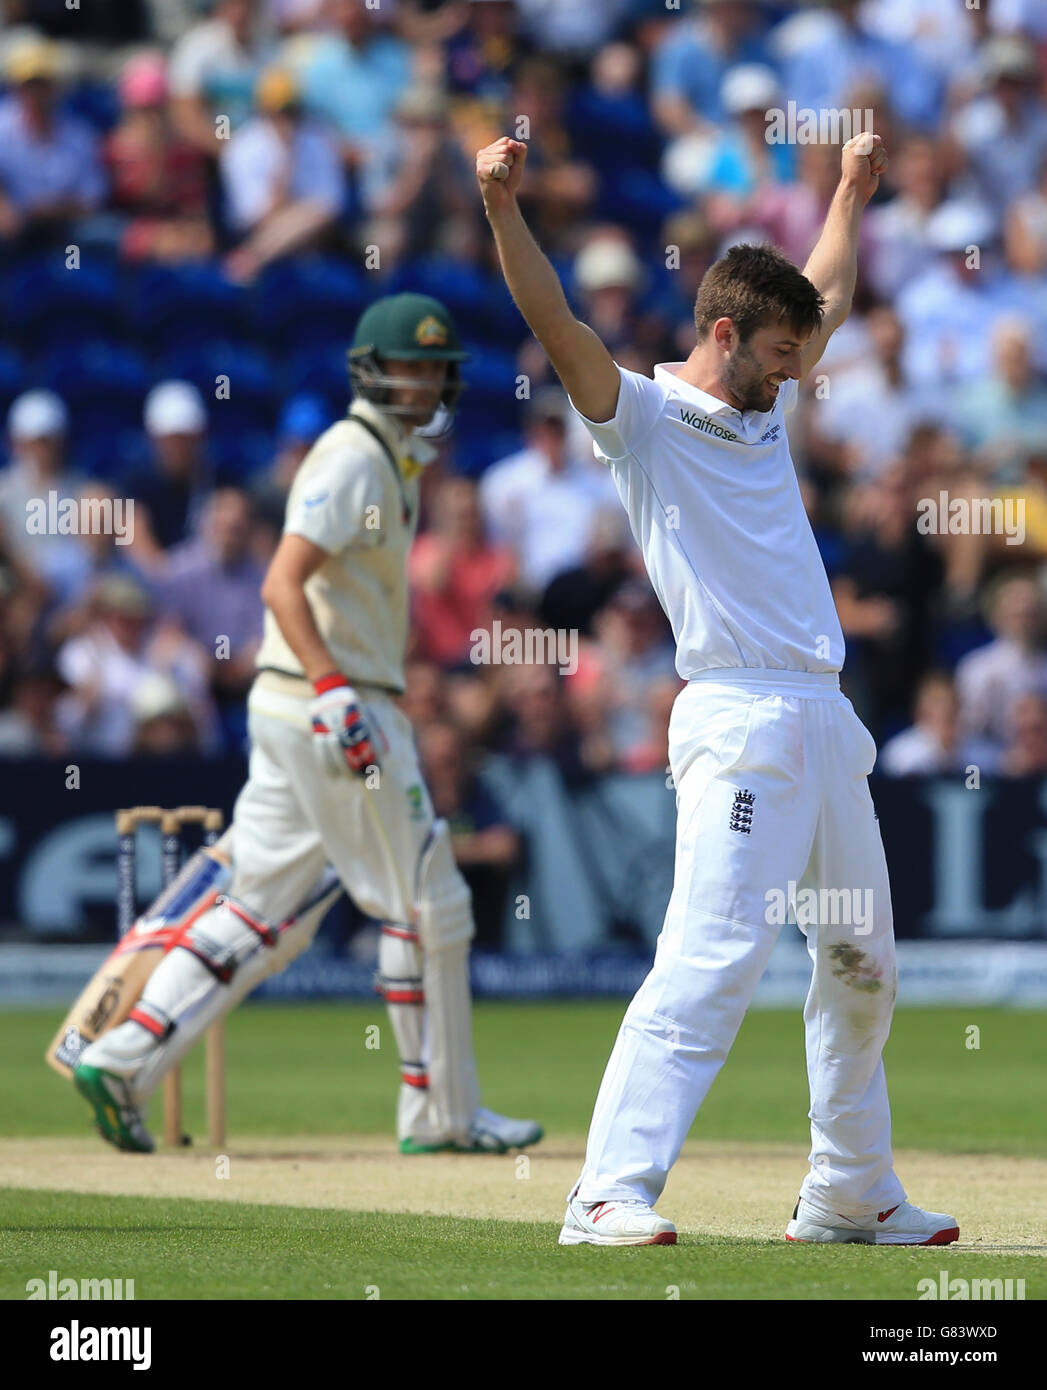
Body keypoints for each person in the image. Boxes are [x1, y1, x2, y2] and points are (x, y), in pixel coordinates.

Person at [476, 128, 959, 1246]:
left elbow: (826, 289)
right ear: (726, 332)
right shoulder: (639, 418)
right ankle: (605, 1190)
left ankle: (851, 1188)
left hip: (826, 722)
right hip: (738, 717)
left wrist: (846, 190)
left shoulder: (768, 395)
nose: (803, 371)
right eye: (785, 352)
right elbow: (557, 322)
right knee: (713, 953)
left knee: (861, 962)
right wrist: (504, 207)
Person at [72, 292, 543, 1158]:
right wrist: (335, 690)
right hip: (331, 705)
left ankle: (123, 1053)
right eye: (412, 365)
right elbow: (281, 582)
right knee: (426, 899)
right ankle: (439, 1114)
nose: (427, 380)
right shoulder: (353, 456)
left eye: (438, 368)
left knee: (262, 908)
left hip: (318, 702)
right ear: (371, 370)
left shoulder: (394, 462)